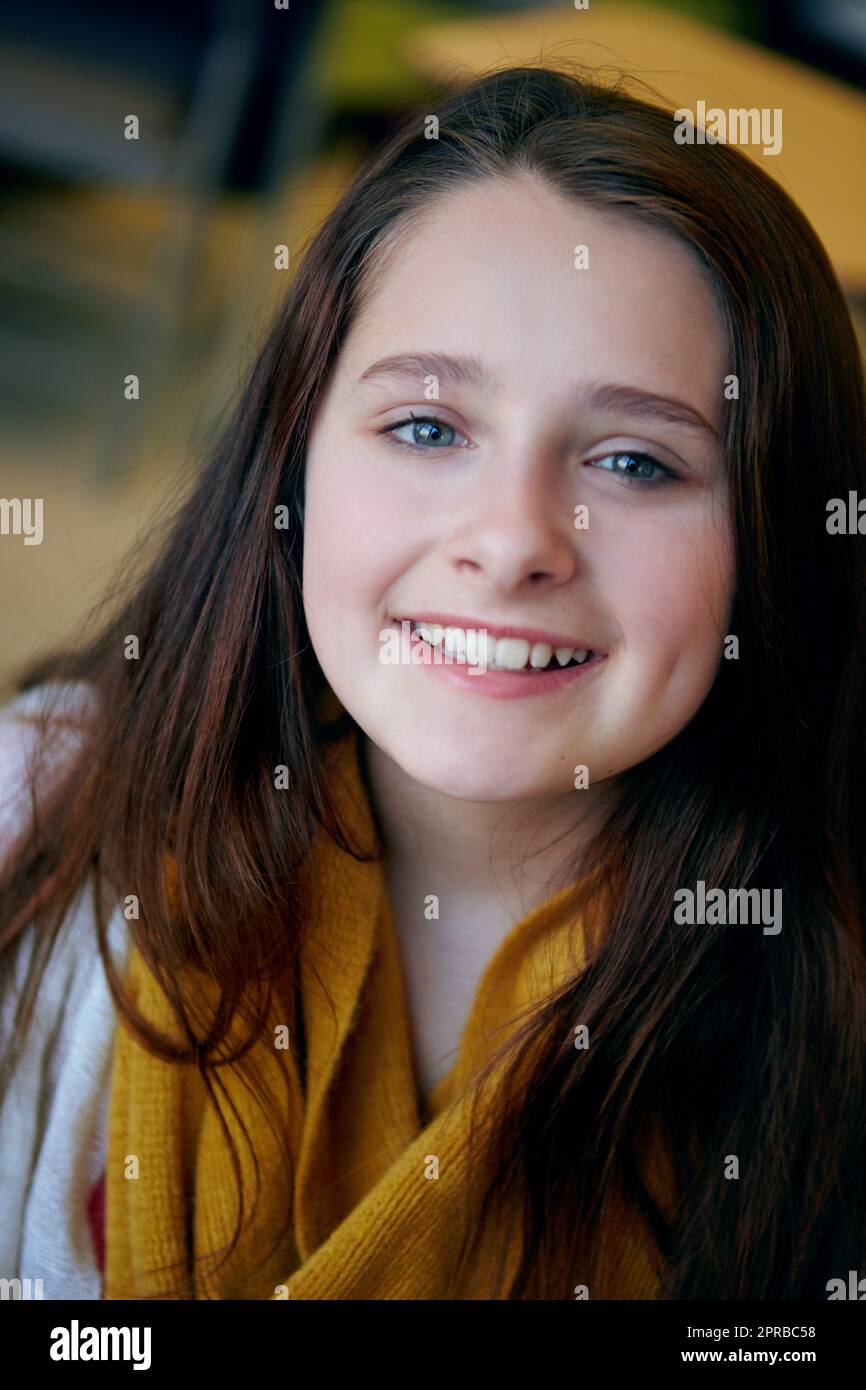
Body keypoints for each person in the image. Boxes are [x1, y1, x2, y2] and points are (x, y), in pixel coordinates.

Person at [1, 63, 864, 1301]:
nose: (513, 539)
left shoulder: (822, 1017)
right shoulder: (34, 820)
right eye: (425, 428)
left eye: (632, 460)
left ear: (771, 540)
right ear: (289, 465)